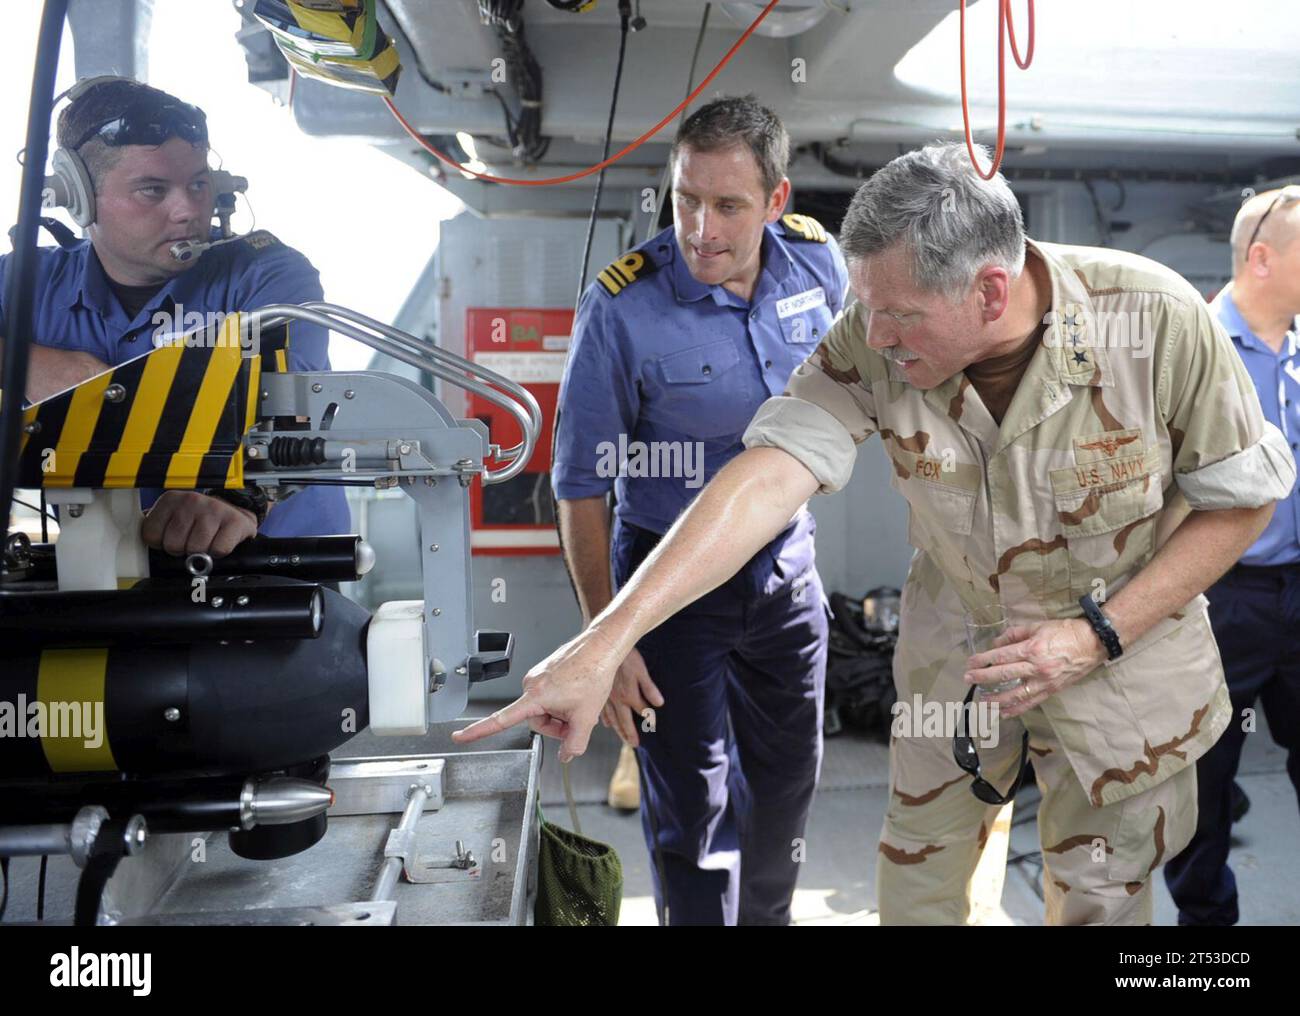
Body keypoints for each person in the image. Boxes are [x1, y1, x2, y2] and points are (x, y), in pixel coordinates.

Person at [459, 141, 1296, 926]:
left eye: (899, 315)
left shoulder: (1154, 321)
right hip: (956, 659)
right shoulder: (872, 337)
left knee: (1101, 899)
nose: (876, 336)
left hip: (1122, 661)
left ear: (990, 293)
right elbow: (768, 473)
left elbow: (1241, 503)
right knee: (916, 890)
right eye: (866, 308)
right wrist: (605, 640)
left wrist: (1096, 635)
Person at [550, 96, 848, 925]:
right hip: (669, 587)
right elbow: (579, 485)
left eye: (728, 206)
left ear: (777, 200)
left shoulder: (818, 266)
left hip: (786, 572)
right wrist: (608, 638)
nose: (700, 230)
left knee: (787, 786)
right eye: (686, 199)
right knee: (690, 805)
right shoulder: (622, 307)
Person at [0, 77, 349, 555]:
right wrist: (25, 362)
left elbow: (292, 409)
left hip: (278, 569)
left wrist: (238, 498)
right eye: (153, 190)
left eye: (198, 184)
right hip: (108, 573)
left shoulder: (268, 276)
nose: (187, 210)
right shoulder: (27, 283)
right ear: (78, 197)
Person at [1163, 186, 1300, 925]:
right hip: (1218, 596)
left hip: (1297, 591)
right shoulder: (1195, 349)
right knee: (1202, 782)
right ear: (1262, 258)